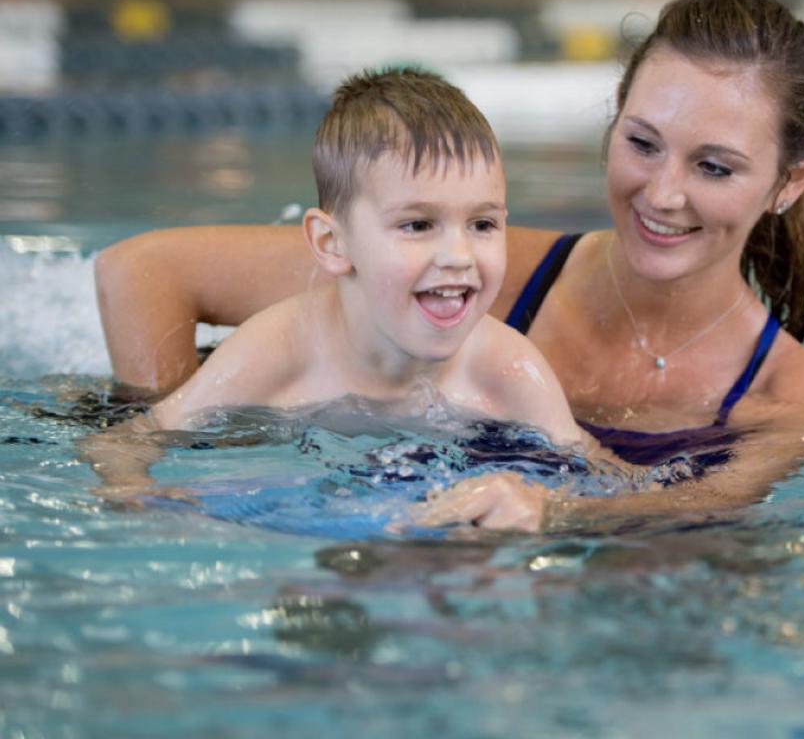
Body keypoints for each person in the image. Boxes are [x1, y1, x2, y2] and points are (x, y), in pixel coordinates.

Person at [93, 0, 804, 531]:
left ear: (789, 180)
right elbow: (142, 270)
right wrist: (187, 441)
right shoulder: (453, 273)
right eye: (641, 144)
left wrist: (554, 511)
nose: (662, 195)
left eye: (714, 167)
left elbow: (695, 511)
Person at [83, 67, 580, 527]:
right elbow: (127, 442)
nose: (458, 255)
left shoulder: (509, 370)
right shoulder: (275, 353)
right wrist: (138, 494)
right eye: (418, 224)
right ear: (332, 244)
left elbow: (599, 475)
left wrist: (546, 506)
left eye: (482, 224)